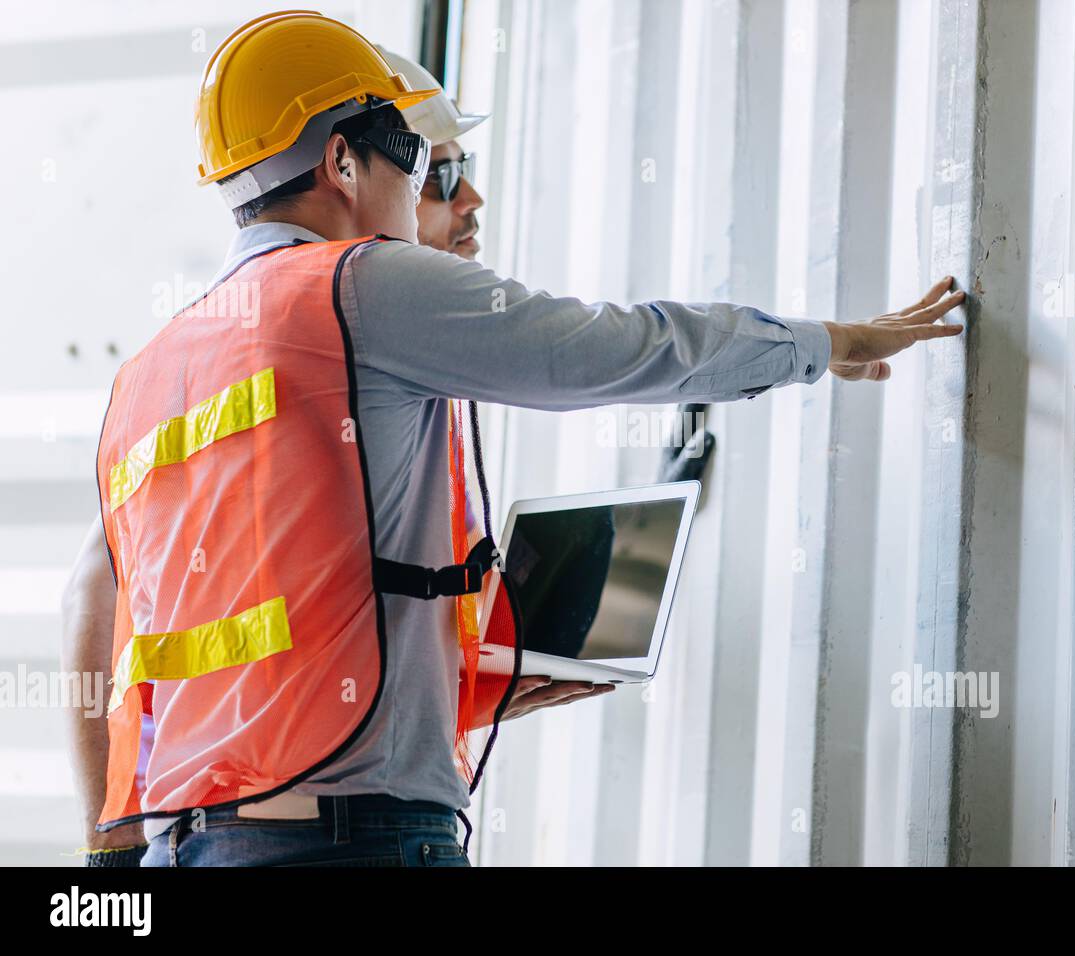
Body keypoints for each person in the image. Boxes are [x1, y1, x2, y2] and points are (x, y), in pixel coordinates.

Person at [64, 11, 964, 868]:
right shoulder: (361, 284)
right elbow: (619, 347)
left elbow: (129, 610)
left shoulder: (150, 371)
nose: (426, 193)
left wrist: (110, 846)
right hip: (349, 839)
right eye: (415, 158)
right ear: (342, 159)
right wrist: (827, 344)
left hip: (186, 843)